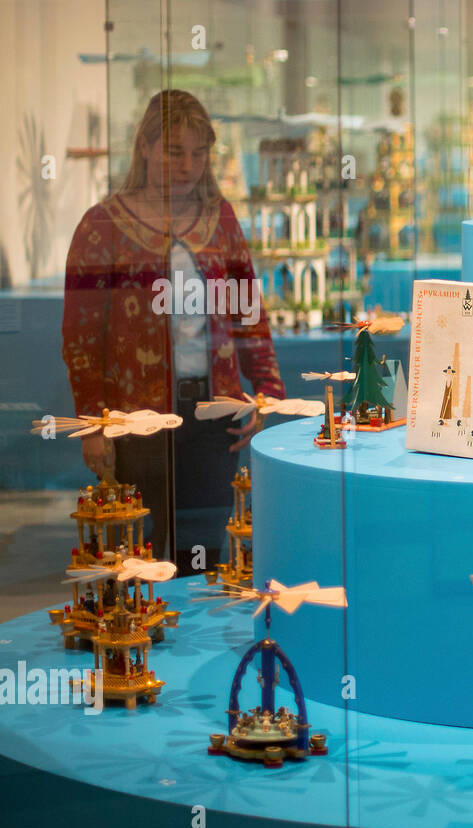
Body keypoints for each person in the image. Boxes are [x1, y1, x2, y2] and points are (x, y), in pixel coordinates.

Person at [62, 90, 284, 572]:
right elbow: (80, 338)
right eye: (174, 151)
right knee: (134, 556)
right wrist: (92, 424)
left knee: (203, 551)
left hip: (213, 414)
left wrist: (265, 390)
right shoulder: (102, 226)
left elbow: (248, 310)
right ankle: (138, 642)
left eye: (199, 153)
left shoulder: (220, 217)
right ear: (144, 147)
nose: (189, 165)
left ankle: (194, 647)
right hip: (135, 421)